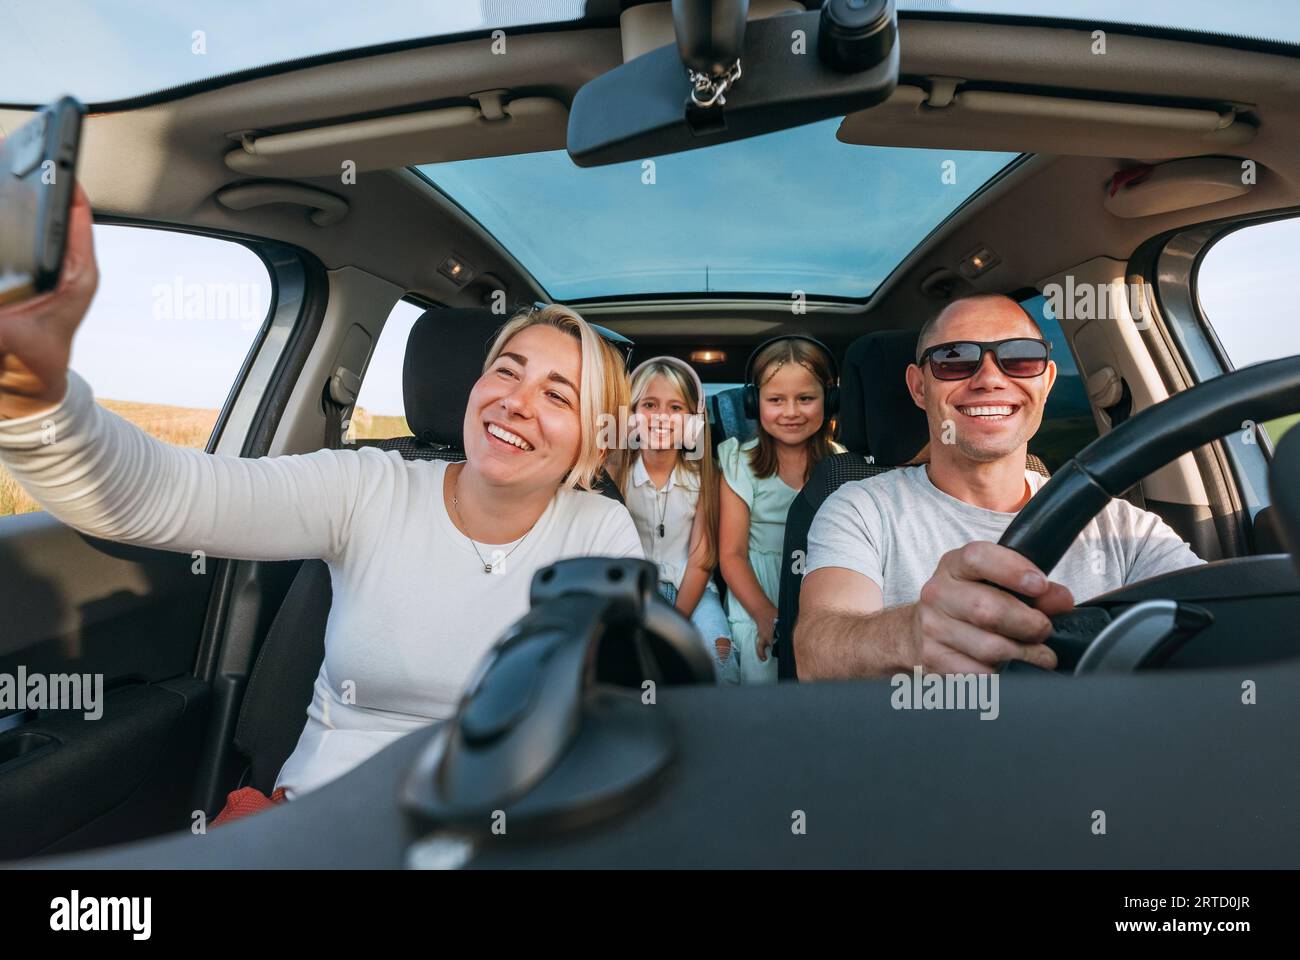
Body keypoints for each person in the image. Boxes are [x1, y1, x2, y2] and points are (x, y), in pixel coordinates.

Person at [0, 185, 644, 819]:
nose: (517, 401)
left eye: (559, 396)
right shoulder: (370, 486)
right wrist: (35, 398)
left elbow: (616, 721)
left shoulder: (599, 532)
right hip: (312, 824)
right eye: (507, 369)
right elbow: (164, 495)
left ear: (590, 443)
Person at [795, 293, 1205, 679]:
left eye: (1020, 358)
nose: (989, 378)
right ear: (920, 387)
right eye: (953, 359)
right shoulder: (862, 508)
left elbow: (1218, 620)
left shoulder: (1121, 527)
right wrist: (912, 635)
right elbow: (816, 652)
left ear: (1045, 382)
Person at [719, 336, 846, 683]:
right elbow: (731, 555)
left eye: (805, 398)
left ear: (830, 400)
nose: (791, 412)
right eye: (776, 400)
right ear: (753, 403)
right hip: (757, 596)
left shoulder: (843, 464)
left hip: (824, 592)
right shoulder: (739, 463)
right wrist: (765, 616)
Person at [622, 356, 734, 682]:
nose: (661, 417)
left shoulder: (704, 479)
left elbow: (701, 559)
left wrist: (677, 620)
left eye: (675, 408)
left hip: (695, 594)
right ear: (630, 416)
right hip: (634, 592)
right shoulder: (619, 476)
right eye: (649, 405)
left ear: (694, 421)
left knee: (721, 658)